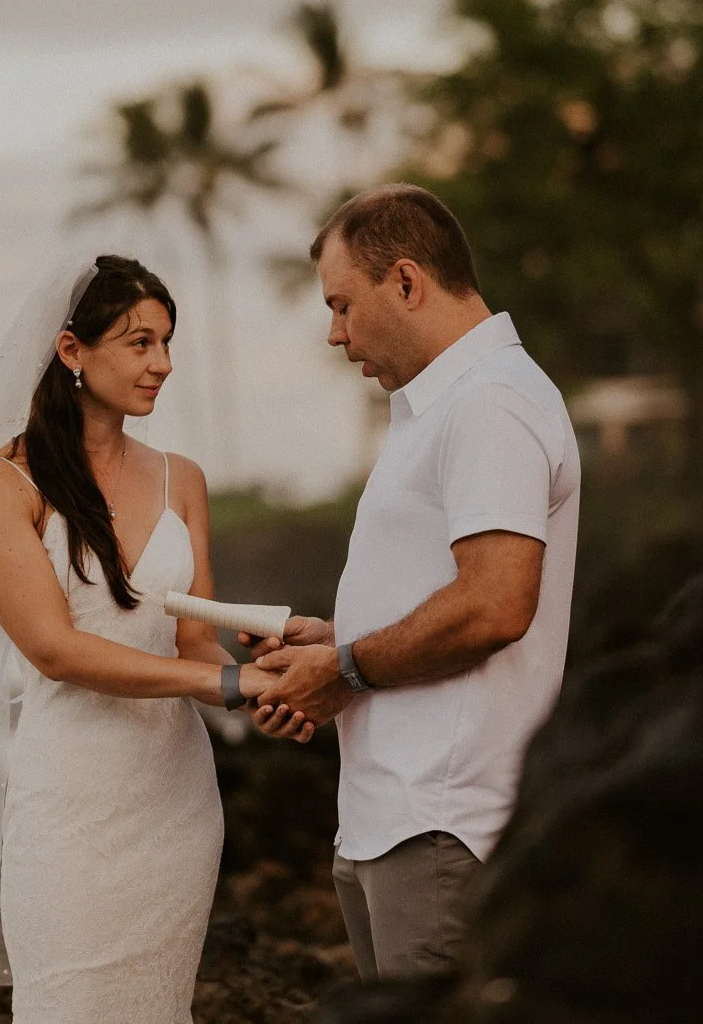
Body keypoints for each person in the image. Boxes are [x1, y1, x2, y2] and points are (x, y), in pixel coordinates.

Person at [0, 254, 295, 1021]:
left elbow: (196, 642)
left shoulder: (185, 478)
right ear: (72, 350)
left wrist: (268, 674)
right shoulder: (1, 483)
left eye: (168, 341)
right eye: (139, 341)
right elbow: (54, 649)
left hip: (177, 806)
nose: (163, 363)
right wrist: (222, 686)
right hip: (73, 808)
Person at [249, 184, 582, 980]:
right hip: (387, 818)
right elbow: (451, 588)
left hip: (443, 822)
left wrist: (347, 669)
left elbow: (498, 603)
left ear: (405, 281)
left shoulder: (490, 403)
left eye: (341, 306)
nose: (335, 334)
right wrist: (334, 640)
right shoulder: (435, 408)